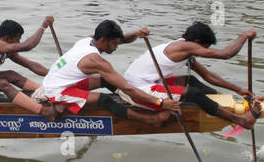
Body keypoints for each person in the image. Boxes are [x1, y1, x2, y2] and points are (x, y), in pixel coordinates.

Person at [122, 22, 262, 129]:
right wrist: (244, 36)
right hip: (137, 91)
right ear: (196, 43)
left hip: (149, 83)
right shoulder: (184, 47)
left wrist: (238, 90)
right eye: (203, 48)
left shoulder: (184, 49)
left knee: (191, 81)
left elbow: (207, 76)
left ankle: (225, 106)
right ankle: (241, 120)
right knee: (193, 93)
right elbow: (226, 54)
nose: (202, 51)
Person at [37, 20, 176, 126]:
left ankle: (132, 100)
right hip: (56, 92)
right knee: (104, 99)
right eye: (114, 44)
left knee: (106, 80)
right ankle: (150, 119)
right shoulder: (96, 61)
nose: (116, 47)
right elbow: (127, 87)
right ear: (103, 40)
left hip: (58, 82)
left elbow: (123, 39)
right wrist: (160, 102)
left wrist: (136, 34)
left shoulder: (87, 40)